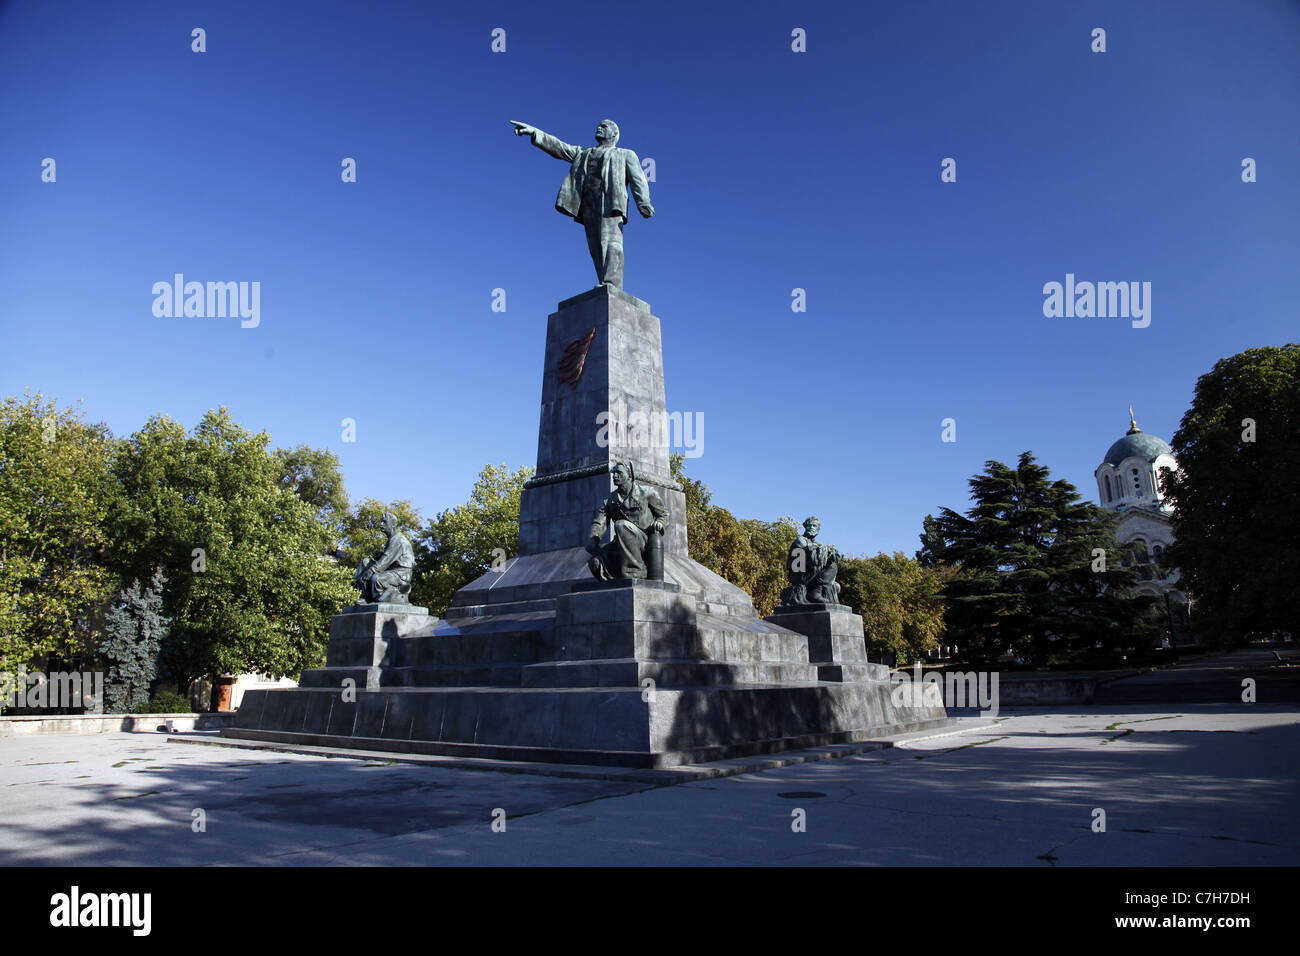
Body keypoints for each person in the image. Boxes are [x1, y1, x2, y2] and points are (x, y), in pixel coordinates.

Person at [510, 118, 654, 289]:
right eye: (599, 125)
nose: (598, 128)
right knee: (595, 248)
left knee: (612, 244)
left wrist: (643, 202)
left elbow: (639, 180)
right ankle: (604, 282)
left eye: (604, 126)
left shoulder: (625, 154)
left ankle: (612, 284)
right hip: (589, 203)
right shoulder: (583, 153)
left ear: (614, 134)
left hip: (611, 203)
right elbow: (559, 147)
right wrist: (536, 133)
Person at [587, 461, 666, 580]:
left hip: (644, 539)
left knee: (621, 524)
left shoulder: (647, 492)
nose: (614, 475)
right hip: (621, 542)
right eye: (614, 472)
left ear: (630, 475)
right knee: (595, 563)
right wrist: (593, 540)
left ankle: (636, 572)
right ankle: (619, 582)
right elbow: (599, 523)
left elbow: (664, 515)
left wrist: (660, 523)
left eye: (619, 472)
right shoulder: (609, 500)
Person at [779, 516, 841, 606]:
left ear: (818, 529)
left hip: (810, 573)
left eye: (814, 526)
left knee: (835, 582)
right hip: (799, 575)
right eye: (809, 525)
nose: (811, 528)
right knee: (830, 565)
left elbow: (819, 554)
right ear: (805, 527)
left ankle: (817, 590)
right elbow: (810, 554)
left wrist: (832, 555)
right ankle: (815, 593)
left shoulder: (814, 543)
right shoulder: (800, 540)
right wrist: (825, 552)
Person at [353, 512, 414, 604]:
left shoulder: (398, 540)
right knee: (365, 562)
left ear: (393, 524)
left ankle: (382, 598)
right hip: (391, 570)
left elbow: (385, 560)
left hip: (401, 574)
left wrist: (371, 570)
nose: (381, 524)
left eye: (385, 522)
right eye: (381, 522)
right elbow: (387, 557)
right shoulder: (392, 539)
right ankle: (365, 596)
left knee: (376, 579)